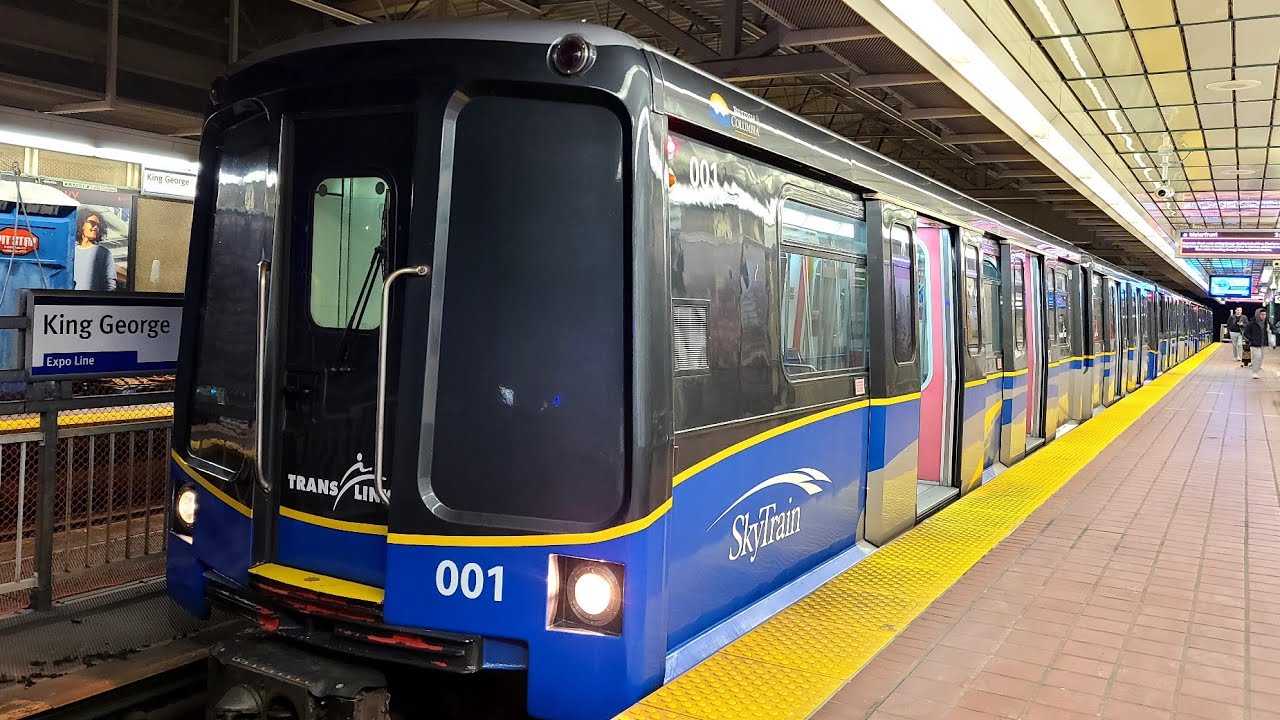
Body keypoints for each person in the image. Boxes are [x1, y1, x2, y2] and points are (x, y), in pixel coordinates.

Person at [73, 211, 117, 291]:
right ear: (81, 225)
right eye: (92, 223)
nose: (96, 227)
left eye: (98, 226)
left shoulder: (104, 253)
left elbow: (110, 285)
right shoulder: (71, 252)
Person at [1244, 308, 1272, 379]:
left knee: (1261, 358)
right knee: (1257, 356)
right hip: (1254, 343)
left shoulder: (1266, 323)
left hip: (1263, 343)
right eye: (1262, 314)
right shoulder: (1252, 323)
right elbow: (1246, 332)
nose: (1264, 316)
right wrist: (1251, 339)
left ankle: (1257, 370)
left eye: (1265, 314)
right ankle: (1255, 372)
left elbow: (1273, 329)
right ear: (1258, 314)